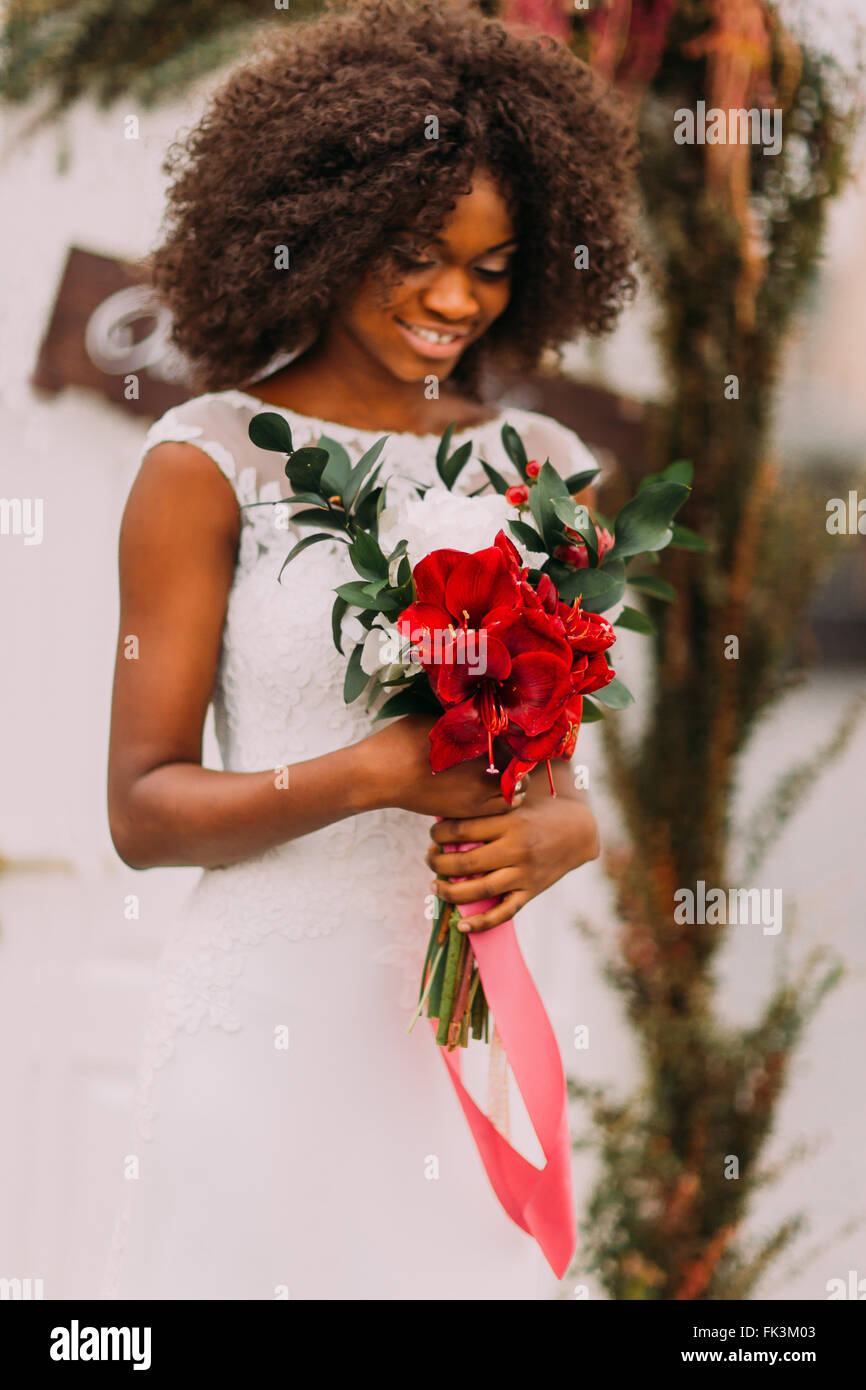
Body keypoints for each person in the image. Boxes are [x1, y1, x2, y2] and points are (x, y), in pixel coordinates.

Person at [103, 0, 637, 1299]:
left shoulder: (549, 473)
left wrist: (572, 829)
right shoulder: (207, 463)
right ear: (324, 221)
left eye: (495, 265)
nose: (455, 299)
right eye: (416, 253)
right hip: (261, 1042)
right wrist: (382, 768)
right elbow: (141, 807)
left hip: (463, 1040)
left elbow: (545, 768)